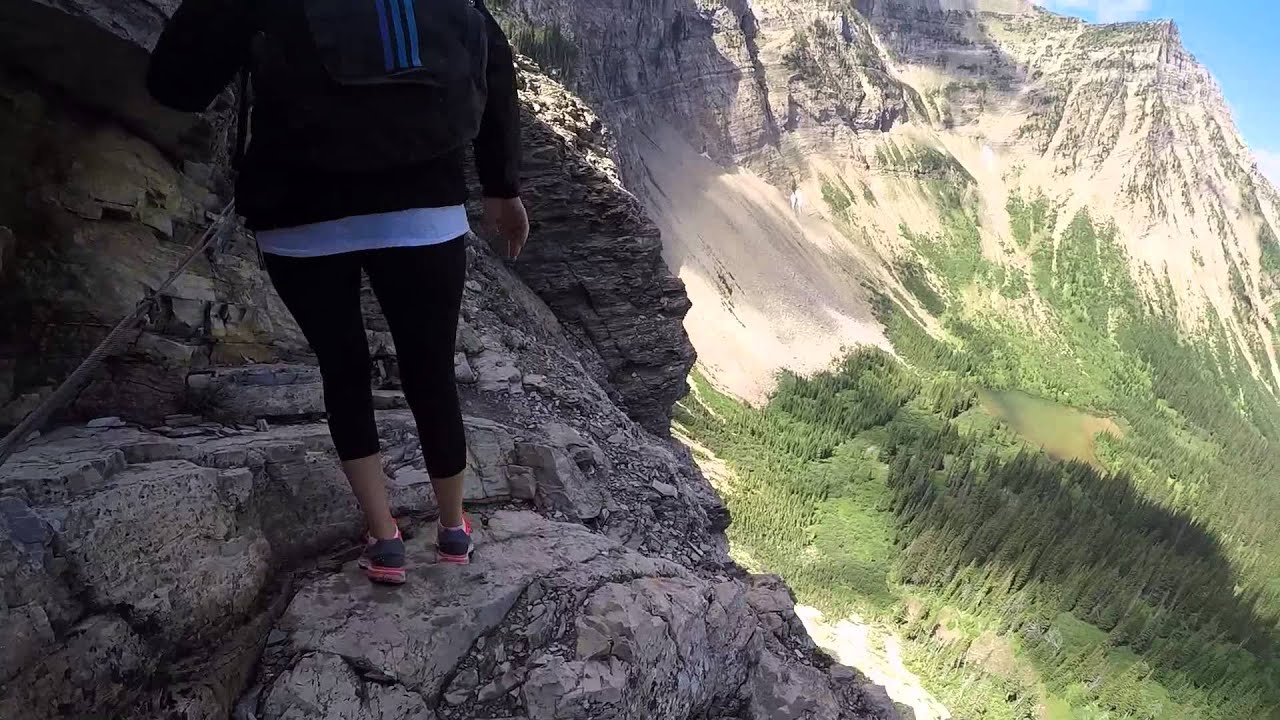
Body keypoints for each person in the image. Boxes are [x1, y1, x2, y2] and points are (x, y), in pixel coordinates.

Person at [147, 0, 528, 585]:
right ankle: (453, 531)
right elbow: (493, 66)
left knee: (342, 368)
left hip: (299, 213)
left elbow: (176, 84)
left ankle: (384, 539)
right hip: (425, 207)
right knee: (431, 372)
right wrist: (502, 188)